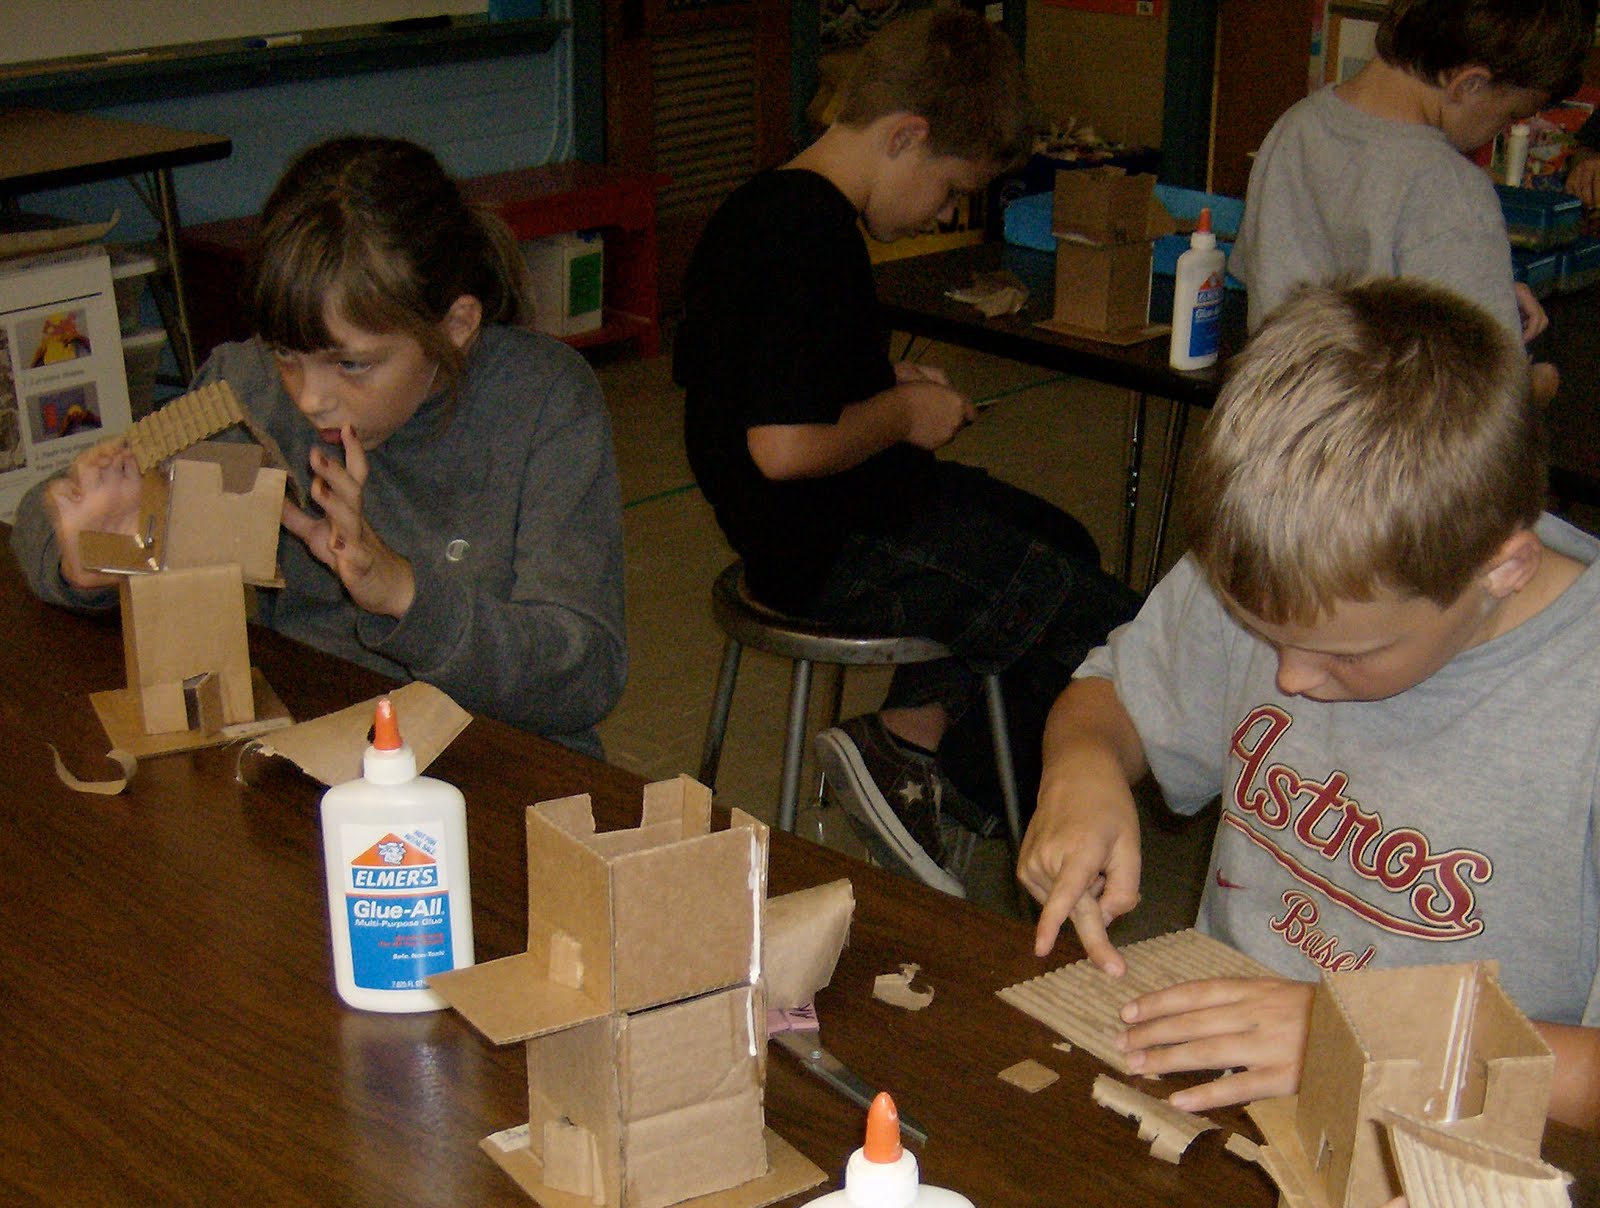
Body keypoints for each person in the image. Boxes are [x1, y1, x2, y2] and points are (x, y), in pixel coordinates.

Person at [1019, 277, 1600, 1133]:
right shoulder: (1286, 562)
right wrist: (1083, 767)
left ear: (1502, 569)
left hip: (1446, 1136)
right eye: (1260, 632)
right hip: (1228, 1079)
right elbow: (1111, 698)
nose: (1289, 679)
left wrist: (1365, 1038)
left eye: (1345, 654)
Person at [674, 7, 1139, 896]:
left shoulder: (770, 207)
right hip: (832, 545)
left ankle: (911, 741)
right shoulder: (805, 232)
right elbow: (780, 446)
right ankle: (951, 780)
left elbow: (768, 371)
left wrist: (887, 376)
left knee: (1060, 538)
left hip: (830, 524)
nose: (946, 210)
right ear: (905, 136)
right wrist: (901, 413)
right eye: (951, 188)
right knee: (1112, 628)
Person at [10, 135, 628, 758]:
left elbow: (586, 675)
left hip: (503, 753)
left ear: (456, 327)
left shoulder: (545, 401)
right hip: (316, 745)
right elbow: (46, 506)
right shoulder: (245, 390)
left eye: (352, 364)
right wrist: (86, 556)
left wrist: (401, 592)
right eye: (286, 354)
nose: (309, 399)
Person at [1229, 0, 1595, 401]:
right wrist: (1541, 382)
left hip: (1274, 424)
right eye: (1510, 116)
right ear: (1469, 83)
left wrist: (1474, 280)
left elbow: (1259, 269)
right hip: (1386, 453)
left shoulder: (1294, 125)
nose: (1499, 132)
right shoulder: (1452, 189)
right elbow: (1494, 400)